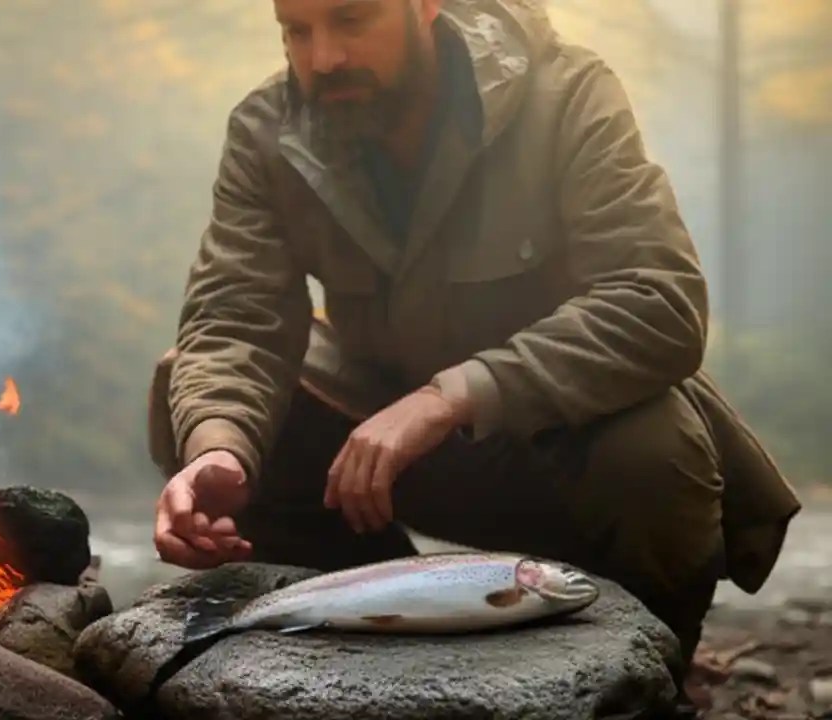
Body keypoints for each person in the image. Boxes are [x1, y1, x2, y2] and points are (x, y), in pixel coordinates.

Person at [147, 0, 803, 684]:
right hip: (384, 456)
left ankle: (642, 672)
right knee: (192, 399)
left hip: (568, 452)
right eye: (296, 31)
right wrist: (217, 447)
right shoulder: (268, 130)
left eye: (351, 21)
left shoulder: (565, 93)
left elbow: (658, 300)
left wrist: (448, 398)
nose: (323, 58)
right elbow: (233, 318)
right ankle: (354, 644)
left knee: (655, 449)